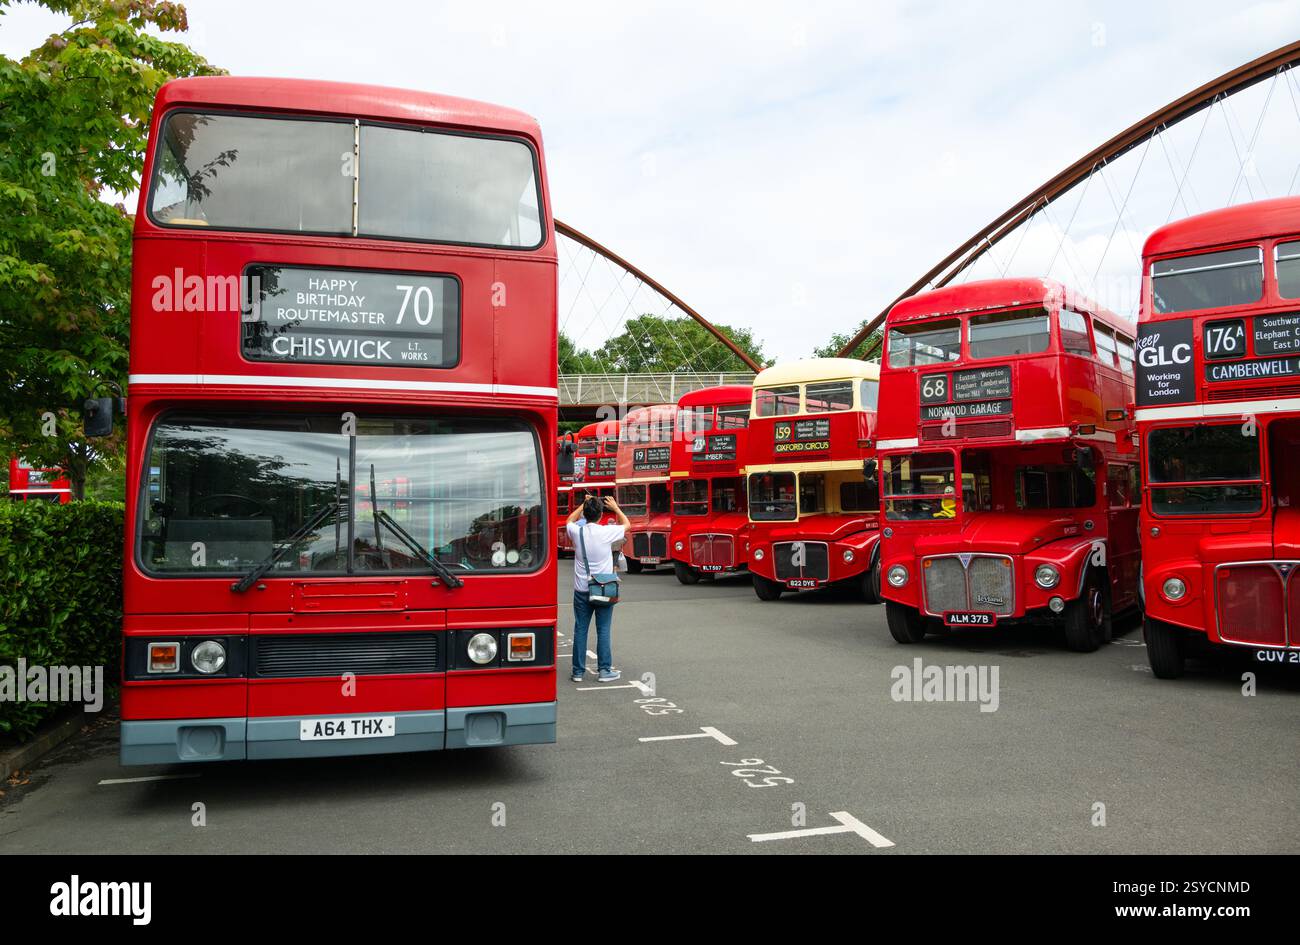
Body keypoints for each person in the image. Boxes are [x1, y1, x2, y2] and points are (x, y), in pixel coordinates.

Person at [566, 494, 630, 683]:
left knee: (580, 630)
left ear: (584, 515)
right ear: (601, 515)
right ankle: (604, 671)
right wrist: (616, 508)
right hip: (603, 587)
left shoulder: (577, 532)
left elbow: (570, 520)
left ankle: (578, 672)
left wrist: (582, 504)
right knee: (603, 630)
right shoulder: (606, 532)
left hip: (581, 589)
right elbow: (627, 525)